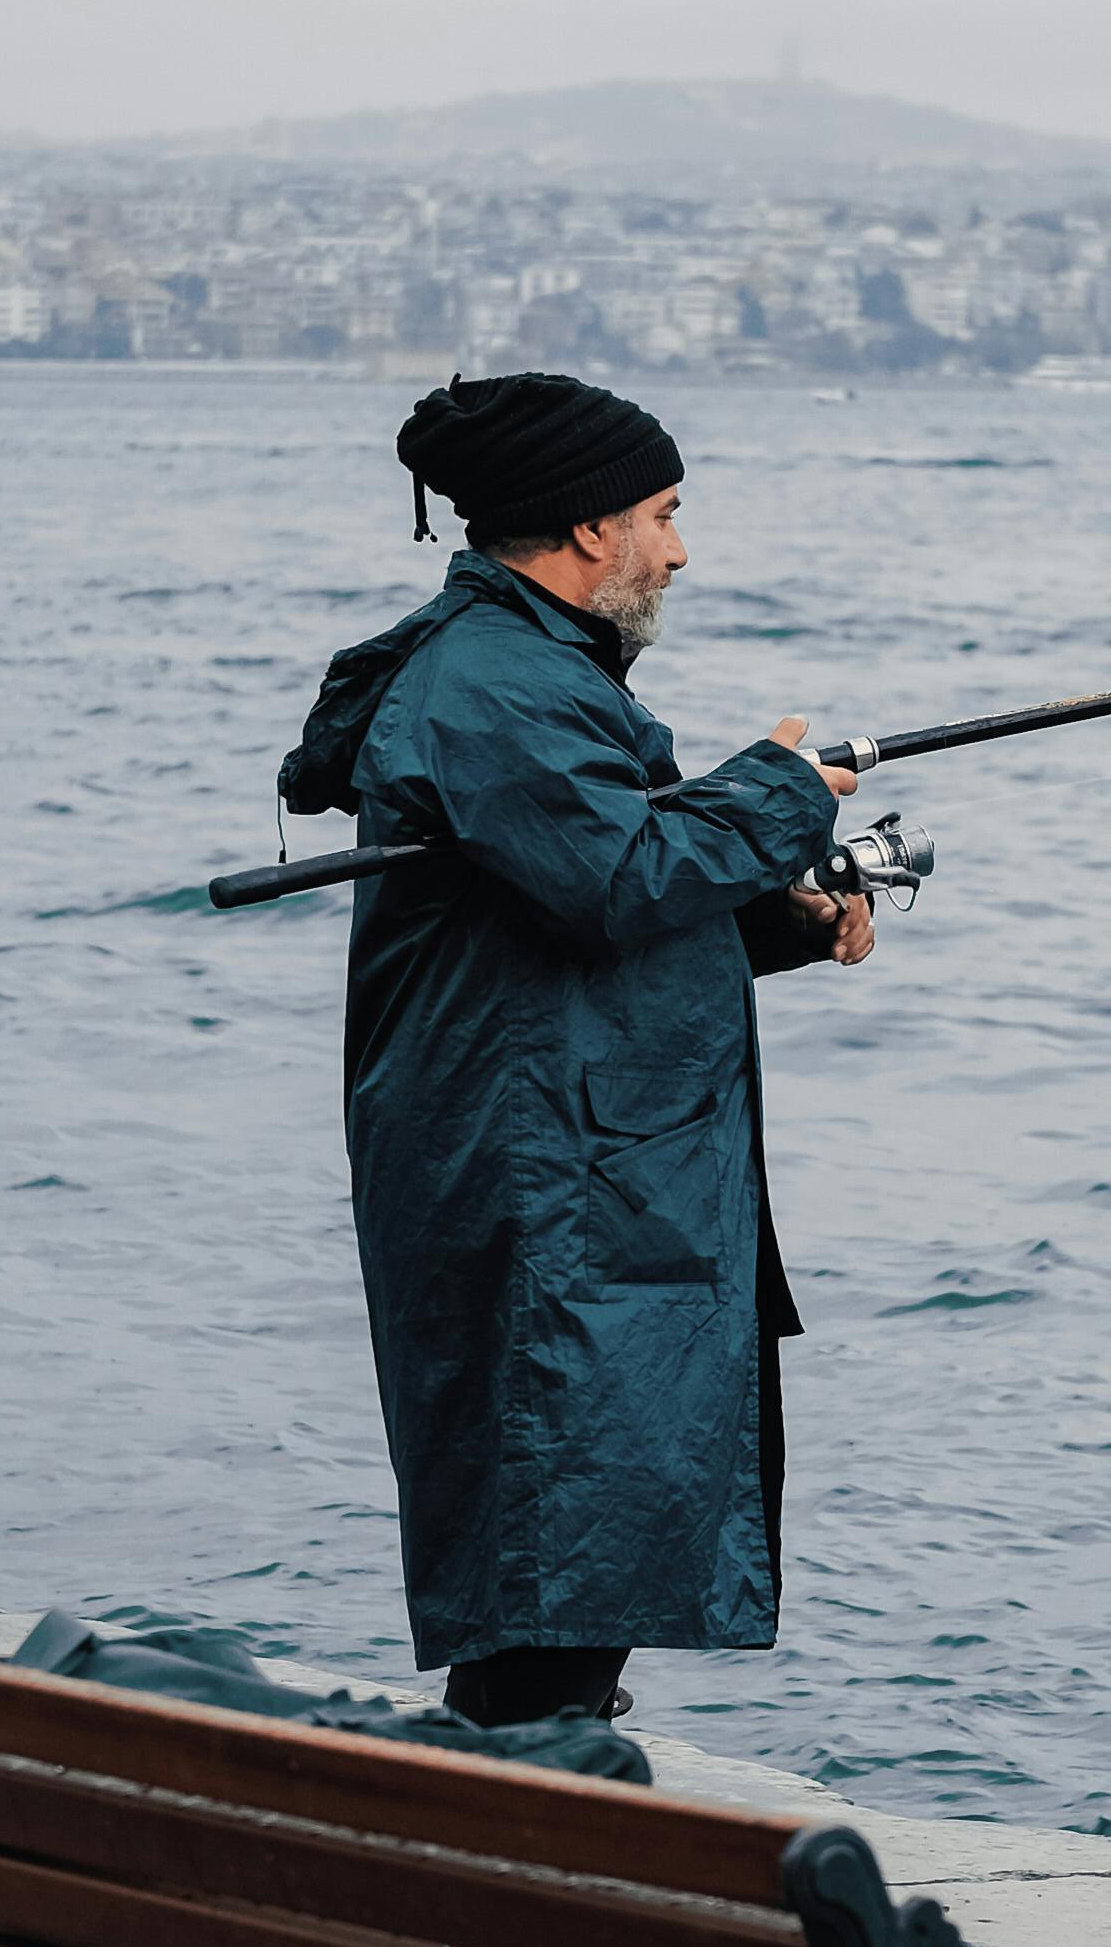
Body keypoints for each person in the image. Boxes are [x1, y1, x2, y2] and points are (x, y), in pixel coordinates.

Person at [278, 370, 878, 1732]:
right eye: (665, 515)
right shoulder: (493, 685)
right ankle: (507, 1852)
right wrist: (780, 793)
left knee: (573, 1570)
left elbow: (577, 906)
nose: (680, 549)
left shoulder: (532, 673)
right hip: (544, 1193)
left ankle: (520, 1823)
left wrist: (781, 916)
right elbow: (613, 874)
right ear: (590, 529)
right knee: (552, 1567)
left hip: (583, 1178)